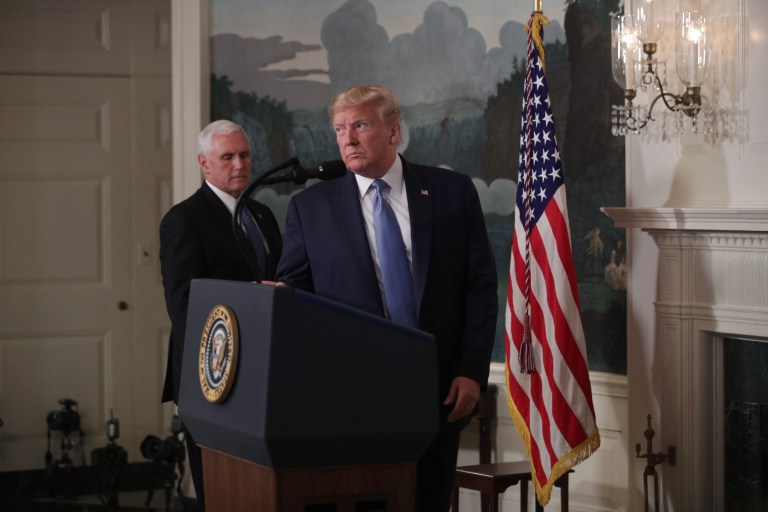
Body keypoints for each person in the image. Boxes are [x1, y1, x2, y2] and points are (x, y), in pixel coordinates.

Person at [274, 84, 498, 511]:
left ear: (394, 132)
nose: (348, 138)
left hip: (438, 391)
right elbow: (296, 298)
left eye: (360, 125)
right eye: (340, 128)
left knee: (428, 501)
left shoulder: (452, 191)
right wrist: (275, 300)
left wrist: (471, 370)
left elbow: (480, 287)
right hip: (350, 395)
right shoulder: (311, 207)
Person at [159, 119, 282, 509]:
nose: (239, 164)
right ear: (204, 163)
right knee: (222, 492)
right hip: (212, 375)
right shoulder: (184, 220)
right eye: (226, 156)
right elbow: (184, 304)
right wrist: (250, 298)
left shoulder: (261, 214)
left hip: (265, 374)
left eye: (244, 155)